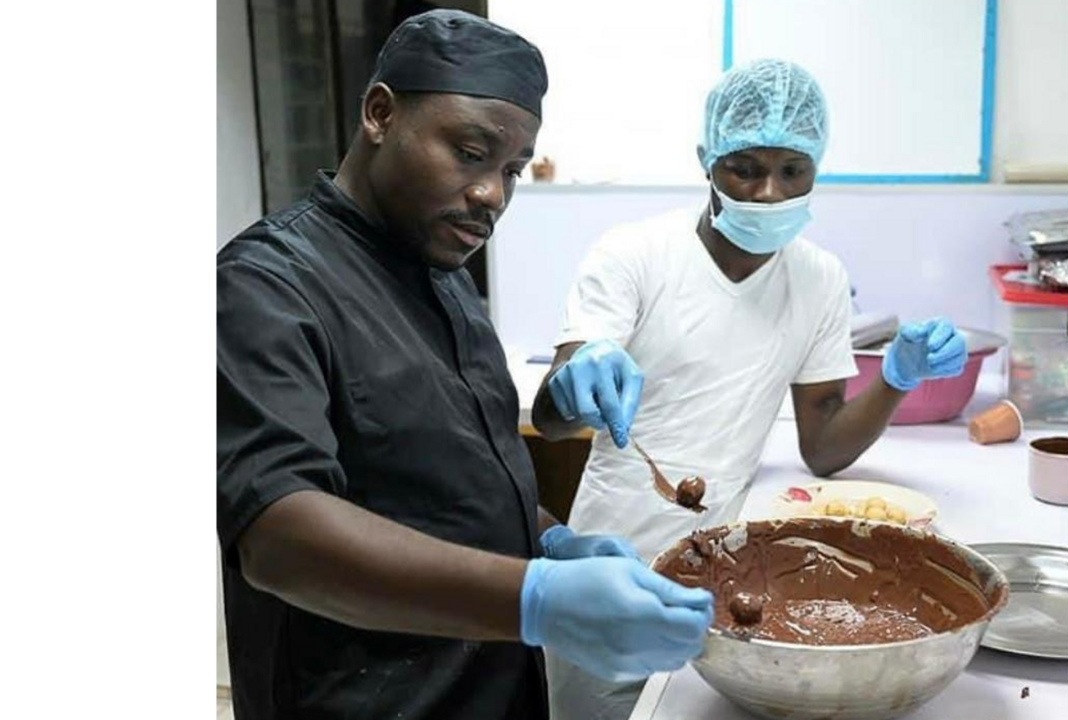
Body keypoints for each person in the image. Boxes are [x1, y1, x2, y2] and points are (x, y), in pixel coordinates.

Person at [217, 11, 712, 720]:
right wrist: (534, 598)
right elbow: (280, 538)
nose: (492, 194)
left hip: (492, 688)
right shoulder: (265, 287)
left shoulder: (443, 276)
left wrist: (550, 541)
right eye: (470, 152)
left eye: (511, 170)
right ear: (380, 113)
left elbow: (456, 482)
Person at [531, 58, 968, 719]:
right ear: (706, 161)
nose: (768, 192)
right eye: (744, 168)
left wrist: (894, 379)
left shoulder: (819, 279)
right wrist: (573, 385)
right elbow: (552, 418)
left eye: (793, 170)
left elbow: (824, 447)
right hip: (612, 565)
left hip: (731, 581)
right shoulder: (635, 256)